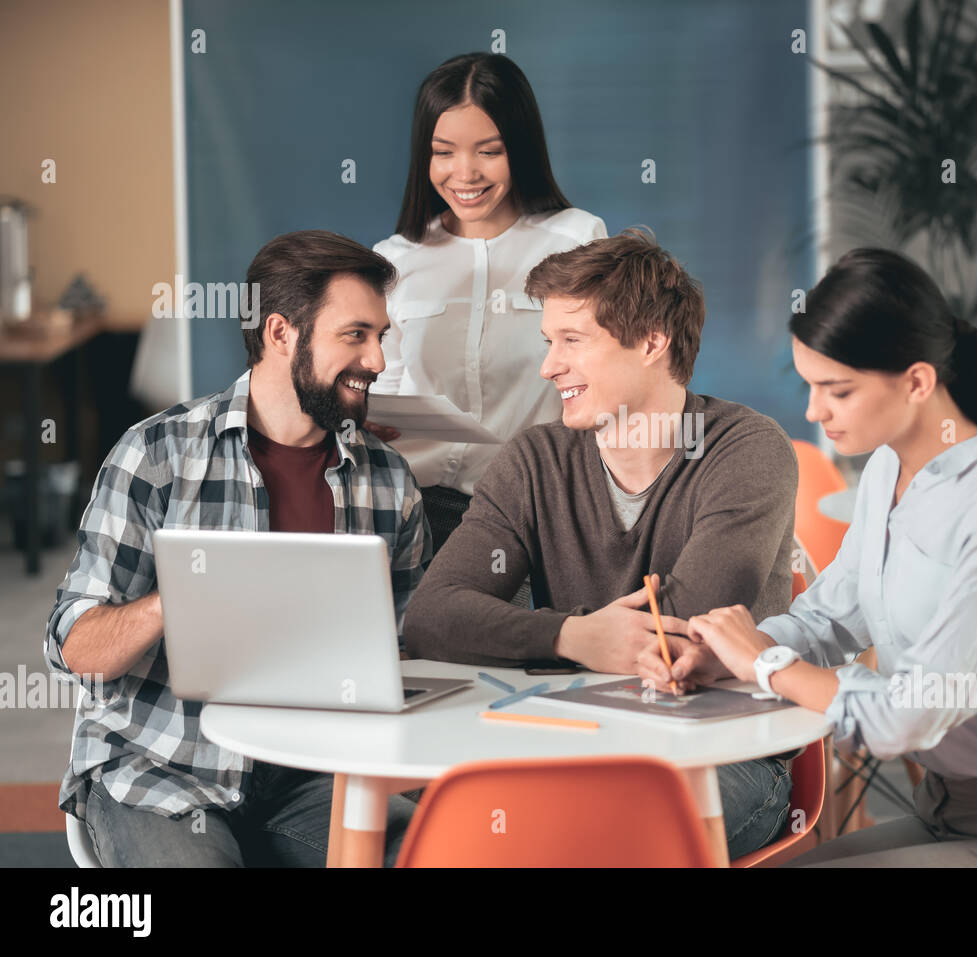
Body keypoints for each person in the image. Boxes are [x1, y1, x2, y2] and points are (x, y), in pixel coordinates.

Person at [403, 230, 800, 860]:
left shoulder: (745, 448)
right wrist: (571, 637)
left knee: (581, 845)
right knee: (457, 833)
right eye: (547, 342)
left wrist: (546, 636)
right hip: (567, 739)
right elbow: (434, 615)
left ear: (651, 343)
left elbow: (688, 627)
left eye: (572, 341)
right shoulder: (536, 459)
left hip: (721, 754)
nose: (548, 366)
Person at [45, 230, 431, 867]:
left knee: (436, 855)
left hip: (314, 777)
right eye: (355, 335)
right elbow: (75, 649)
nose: (378, 361)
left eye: (380, 336)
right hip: (161, 770)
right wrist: (184, 597)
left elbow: (407, 648)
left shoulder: (387, 481)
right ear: (281, 333)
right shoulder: (158, 454)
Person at [642, 248, 977, 867]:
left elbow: (910, 716)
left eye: (838, 390)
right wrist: (722, 658)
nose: (813, 411)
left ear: (916, 382)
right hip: (944, 810)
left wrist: (765, 664)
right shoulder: (888, 469)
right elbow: (830, 618)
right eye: (810, 385)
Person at [368, 52, 607, 576]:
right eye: (443, 152)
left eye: (489, 151)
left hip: (534, 510)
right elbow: (380, 383)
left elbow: (603, 381)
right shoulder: (394, 260)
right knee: (413, 651)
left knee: (509, 647)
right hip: (417, 509)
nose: (464, 173)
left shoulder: (577, 239)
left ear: (519, 149)